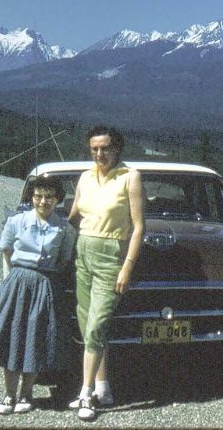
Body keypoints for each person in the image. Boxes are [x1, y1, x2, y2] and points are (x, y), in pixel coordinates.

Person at [0, 176, 76, 415]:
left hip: (45, 285)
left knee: (35, 339)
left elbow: (64, 259)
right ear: (31, 198)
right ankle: (9, 395)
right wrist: (9, 282)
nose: (43, 201)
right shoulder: (16, 221)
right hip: (17, 284)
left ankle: (26, 394)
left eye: (49, 197)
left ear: (57, 200)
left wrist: (48, 279)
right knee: (13, 338)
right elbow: (7, 252)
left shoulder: (64, 229)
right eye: (38, 196)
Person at [68, 126, 144, 421]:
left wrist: (127, 266)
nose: (100, 153)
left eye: (105, 148)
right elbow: (74, 216)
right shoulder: (86, 177)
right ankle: (102, 386)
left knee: (97, 325)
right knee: (88, 325)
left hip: (112, 256)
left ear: (118, 149)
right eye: (95, 149)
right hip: (83, 254)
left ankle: (85, 395)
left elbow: (139, 227)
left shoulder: (130, 177)